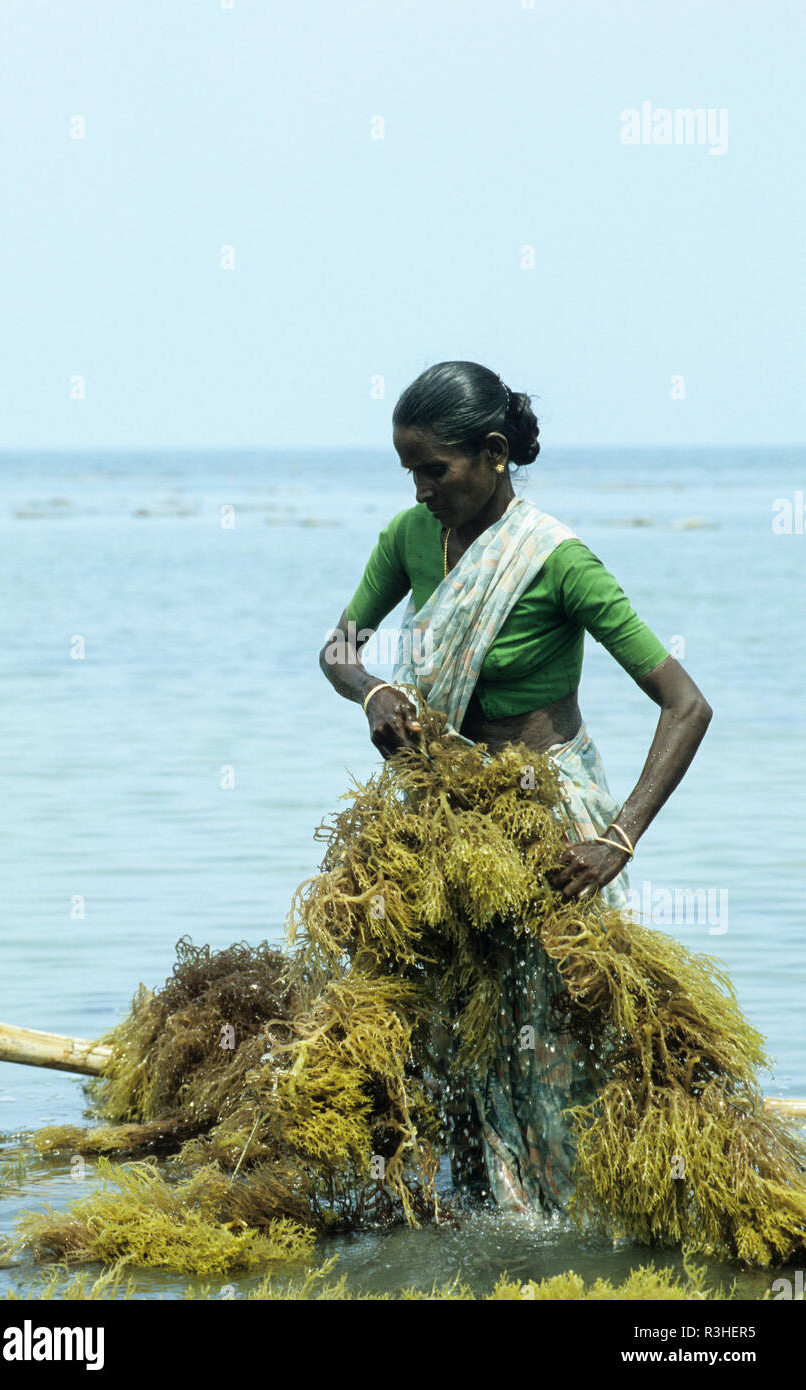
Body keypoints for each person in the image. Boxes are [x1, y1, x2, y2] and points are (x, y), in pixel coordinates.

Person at [319, 360, 713, 1216]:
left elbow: (685, 706)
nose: (421, 490)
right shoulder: (409, 539)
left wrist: (616, 835)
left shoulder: (557, 561)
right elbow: (339, 647)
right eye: (409, 472)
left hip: (548, 827)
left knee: (551, 1024)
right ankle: (474, 1212)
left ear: (493, 453)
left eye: (435, 469)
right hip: (443, 820)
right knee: (442, 1014)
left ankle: (571, 1217)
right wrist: (375, 691)